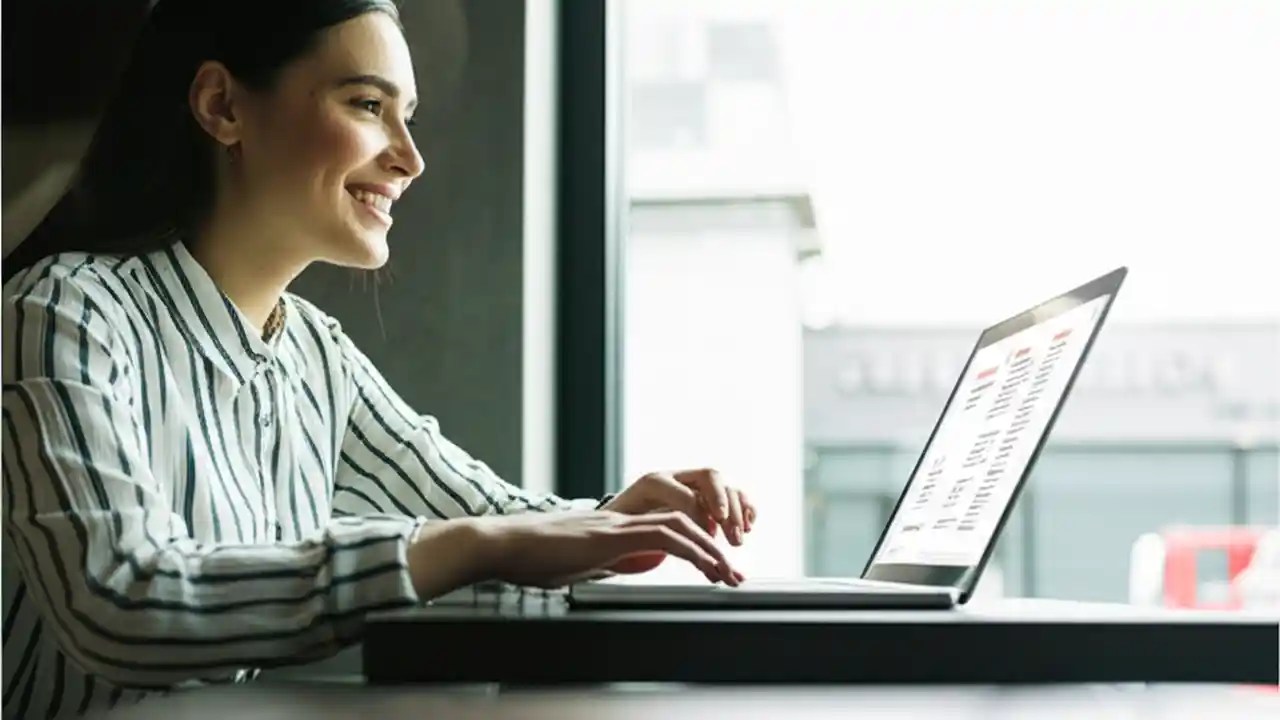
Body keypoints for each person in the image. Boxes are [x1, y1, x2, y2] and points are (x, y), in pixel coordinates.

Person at [0, 2, 755, 716]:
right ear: (223, 106)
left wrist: (623, 518)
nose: (411, 158)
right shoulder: (62, 310)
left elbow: (490, 522)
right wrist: (469, 547)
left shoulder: (312, 356)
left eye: (409, 117)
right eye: (368, 105)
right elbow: (123, 601)